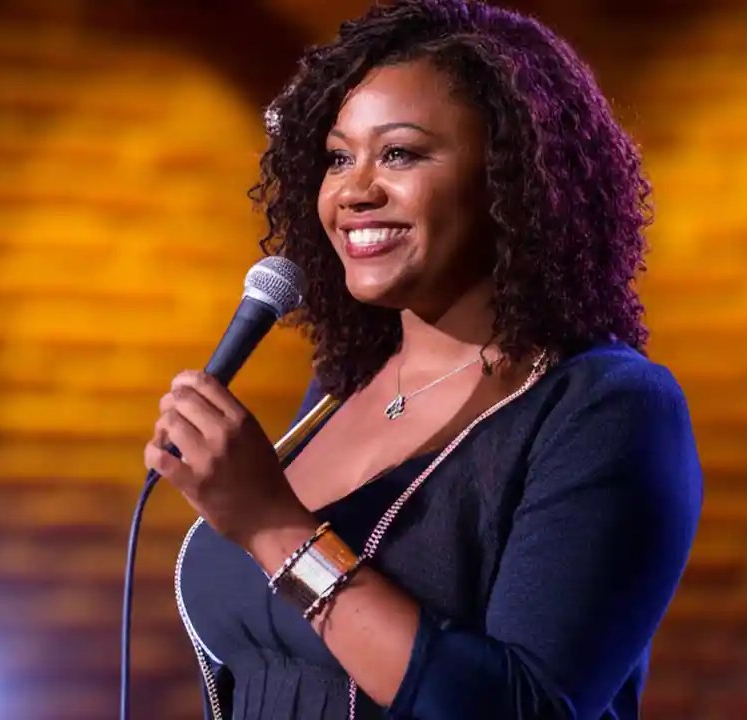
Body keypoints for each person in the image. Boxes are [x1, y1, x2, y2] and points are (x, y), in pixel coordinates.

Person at [144, 1, 703, 717]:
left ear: (511, 177)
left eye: (399, 154)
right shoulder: (339, 389)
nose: (354, 191)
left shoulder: (606, 408)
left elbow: (525, 706)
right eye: (339, 157)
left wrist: (272, 527)